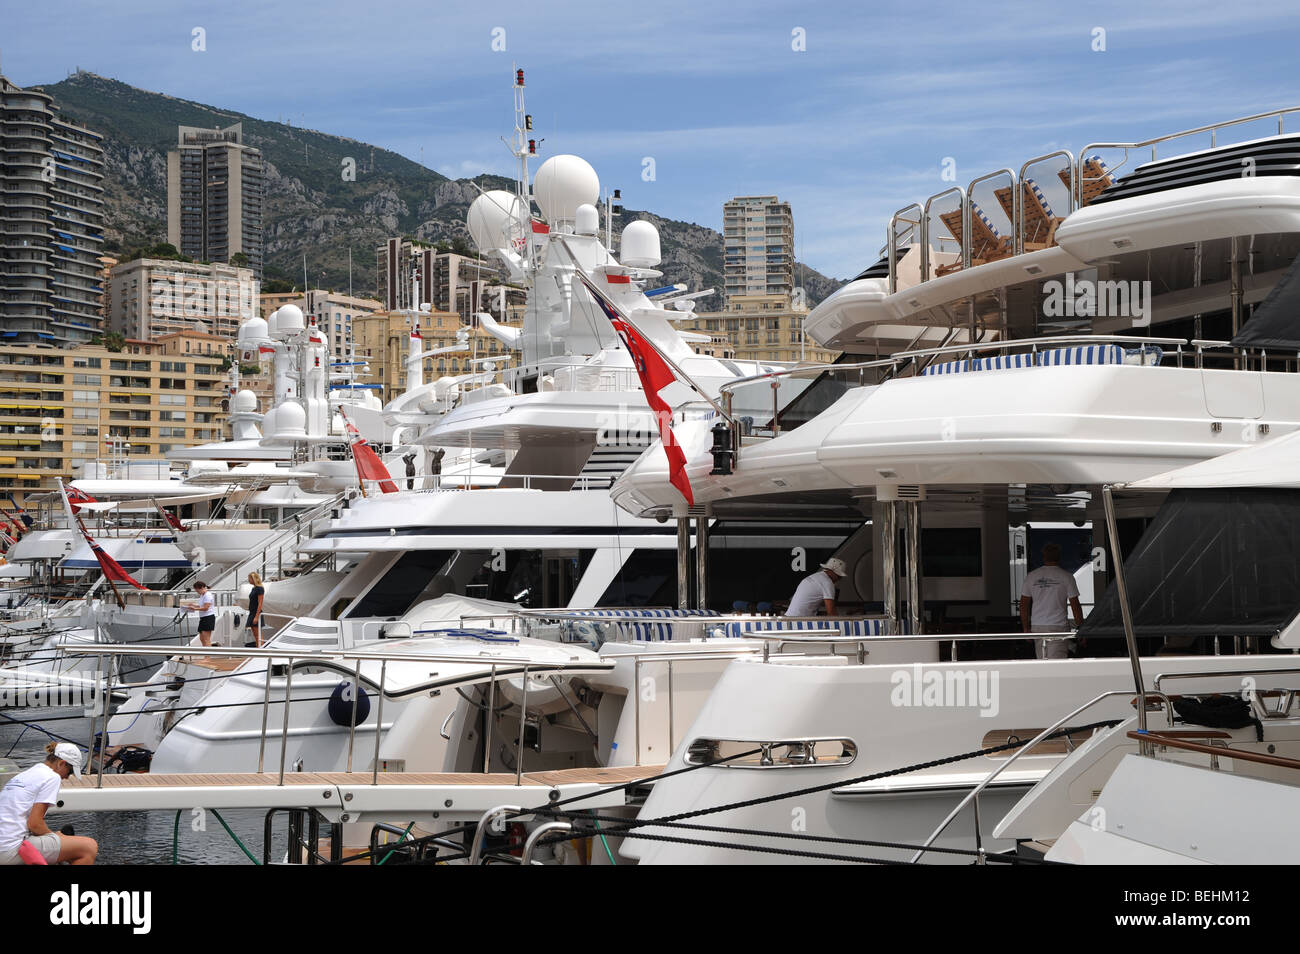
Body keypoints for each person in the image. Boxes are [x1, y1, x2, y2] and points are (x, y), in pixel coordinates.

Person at [0, 742, 97, 865]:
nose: (68, 777)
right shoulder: (52, 777)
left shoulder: (25, 774)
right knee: (88, 847)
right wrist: (57, 837)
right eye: (70, 771)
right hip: (9, 849)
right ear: (61, 763)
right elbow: (34, 824)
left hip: (4, 844)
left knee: (67, 845)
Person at [1020, 543, 1084, 659]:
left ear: (1043, 557)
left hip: (1037, 626)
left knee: (1042, 660)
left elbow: (1024, 604)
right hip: (1058, 626)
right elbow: (1075, 605)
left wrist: (1026, 628)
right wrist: (1081, 627)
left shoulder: (1031, 576)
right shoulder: (1067, 577)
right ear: (1059, 557)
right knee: (1057, 664)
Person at [182, 581, 216, 649]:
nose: (197, 592)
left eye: (198, 590)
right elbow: (201, 605)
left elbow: (206, 608)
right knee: (202, 638)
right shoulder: (202, 595)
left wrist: (194, 608)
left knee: (206, 639)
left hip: (208, 617)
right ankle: (206, 656)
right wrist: (194, 605)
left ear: (202, 588)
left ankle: (207, 658)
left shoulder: (207, 595)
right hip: (203, 618)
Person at [245, 572, 265, 648]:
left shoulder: (260, 588)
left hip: (256, 613)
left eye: (249, 578)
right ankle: (258, 649)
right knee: (255, 634)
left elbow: (260, 603)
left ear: (254, 579)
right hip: (252, 612)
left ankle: (260, 651)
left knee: (258, 634)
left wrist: (256, 617)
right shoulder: (254, 588)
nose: (249, 580)